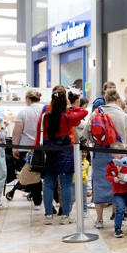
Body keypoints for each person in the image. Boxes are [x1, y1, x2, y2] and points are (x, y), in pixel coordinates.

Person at [83, 87, 127, 229]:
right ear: (118, 100)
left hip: (99, 153)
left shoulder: (96, 113)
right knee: (118, 185)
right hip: (119, 154)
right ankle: (116, 215)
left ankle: (99, 219)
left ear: (105, 99)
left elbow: (86, 134)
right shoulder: (123, 115)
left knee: (99, 185)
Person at [35, 86, 88, 224]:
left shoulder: (46, 114)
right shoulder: (67, 115)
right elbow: (84, 112)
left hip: (50, 152)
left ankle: (48, 215)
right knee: (66, 185)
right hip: (65, 152)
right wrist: (69, 107)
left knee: (48, 184)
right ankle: (65, 216)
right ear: (65, 101)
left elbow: (39, 130)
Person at [11, 89, 44, 205]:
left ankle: (37, 201)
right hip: (43, 147)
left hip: (26, 148)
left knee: (32, 174)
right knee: (46, 174)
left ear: (27, 99)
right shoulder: (45, 110)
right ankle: (50, 200)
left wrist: (14, 147)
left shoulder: (23, 112)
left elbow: (17, 132)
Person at [105, 143, 127, 238]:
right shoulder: (110, 164)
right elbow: (107, 175)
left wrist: (122, 169)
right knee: (120, 209)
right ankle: (117, 228)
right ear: (112, 154)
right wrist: (113, 179)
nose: (121, 154)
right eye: (118, 152)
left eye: (123, 152)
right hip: (118, 192)